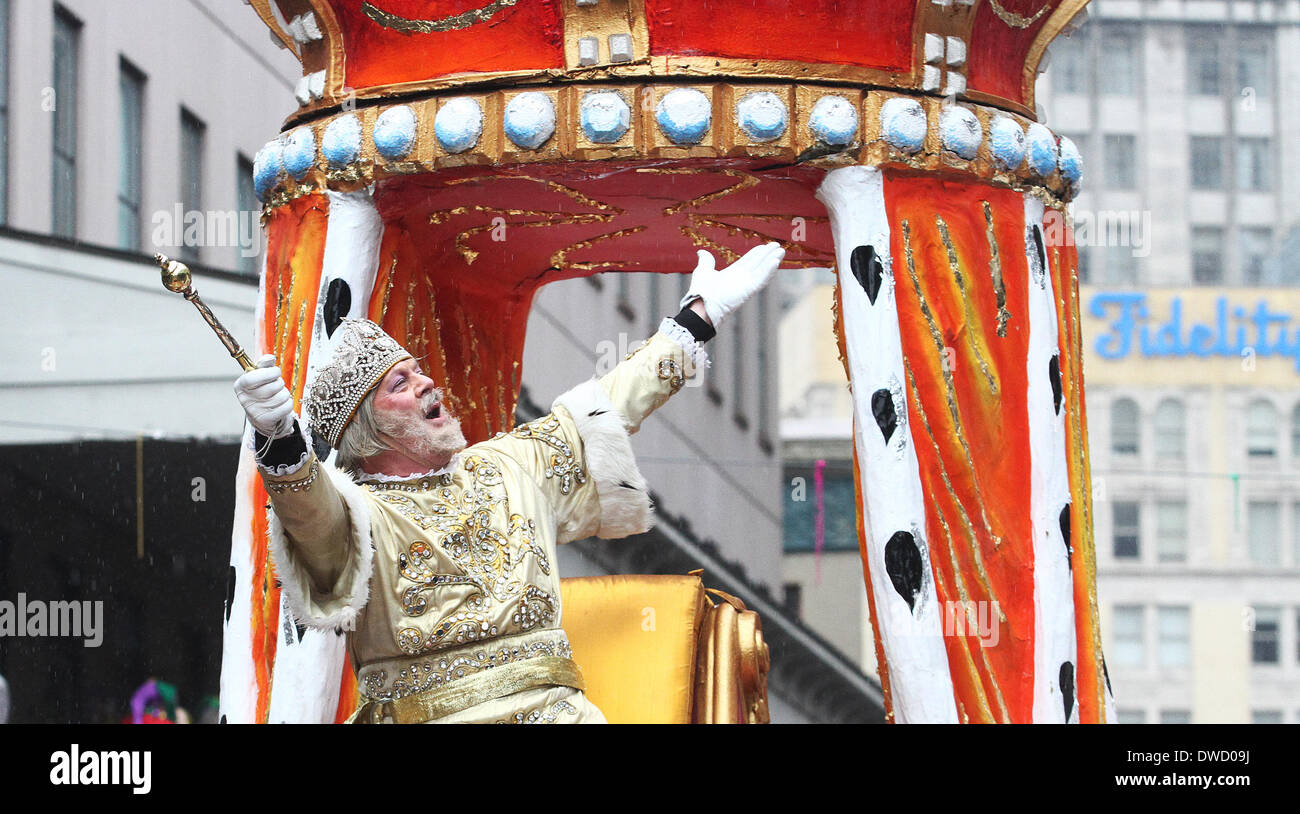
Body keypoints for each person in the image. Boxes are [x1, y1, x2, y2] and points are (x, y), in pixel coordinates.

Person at [234, 243, 784, 723]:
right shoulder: (359, 514)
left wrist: (698, 317)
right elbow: (311, 513)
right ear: (369, 428)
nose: (427, 380)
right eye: (400, 382)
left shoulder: (509, 465)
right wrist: (281, 440)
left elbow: (613, 401)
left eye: (419, 368)